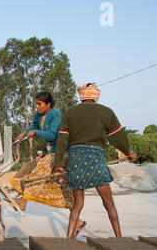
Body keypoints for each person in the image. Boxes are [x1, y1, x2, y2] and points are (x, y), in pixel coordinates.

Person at [54, 83, 137, 238]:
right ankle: (119, 237)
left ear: (82, 95)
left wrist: (58, 164)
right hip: (96, 160)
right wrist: (128, 152)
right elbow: (117, 137)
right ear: (95, 95)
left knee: (77, 204)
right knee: (108, 203)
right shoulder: (106, 112)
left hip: (76, 160)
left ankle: (68, 239)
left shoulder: (70, 113)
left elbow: (61, 139)